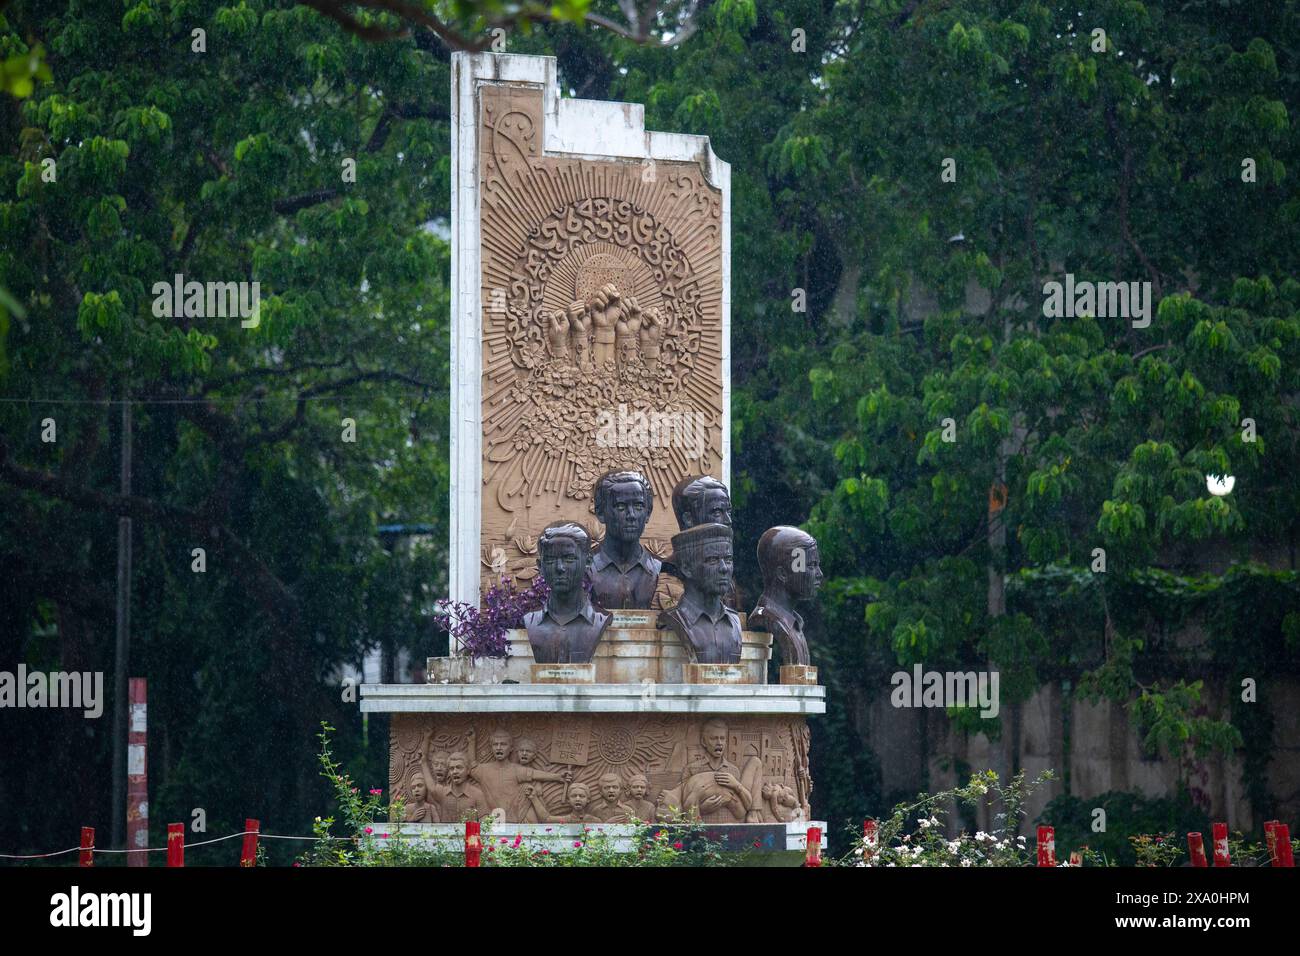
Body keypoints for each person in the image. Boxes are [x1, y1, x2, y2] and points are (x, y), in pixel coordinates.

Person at [523, 522, 610, 663]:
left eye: (569, 559)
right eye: (550, 560)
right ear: (540, 567)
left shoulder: (599, 620)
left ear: (588, 561)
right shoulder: (530, 621)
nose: (560, 568)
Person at [658, 523, 743, 664]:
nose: (724, 568)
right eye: (712, 560)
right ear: (686, 568)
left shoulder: (734, 621)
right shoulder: (676, 619)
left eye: (728, 560)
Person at [750, 526, 824, 667]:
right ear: (782, 574)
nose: (819, 574)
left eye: (817, 565)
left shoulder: (792, 624)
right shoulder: (766, 621)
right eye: (811, 566)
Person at [590, 470, 661, 609]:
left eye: (638, 506)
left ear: (648, 513)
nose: (631, 515)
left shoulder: (659, 570)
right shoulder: (584, 569)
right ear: (600, 512)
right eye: (621, 506)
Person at [468, 729, 572, 822]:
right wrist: (471, 742)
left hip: (516, 818)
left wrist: (558, 777)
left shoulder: (516, 769)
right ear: (491, 748)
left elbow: (535, 774)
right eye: (495, 744)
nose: (499, 748)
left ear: (511, 748)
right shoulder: (483, 770)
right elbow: (471, 767)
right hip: (493, 820)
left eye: (503, 744)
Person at [679, 719, 755, 823]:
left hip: (731, 828)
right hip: (702, 830)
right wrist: (701, 808)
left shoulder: (733, 771)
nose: (719, 743)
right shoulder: (691, 769)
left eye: (722, 738)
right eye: (713, 738)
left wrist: (736, 785)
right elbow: (681, 807)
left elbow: (745, 807)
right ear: (703, 742)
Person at [435, 752, 490, 823]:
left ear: (468, 770)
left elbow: (484, 821)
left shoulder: (477, 795)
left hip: (470, 833)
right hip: (446, 833)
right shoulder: (442, 793)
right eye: (452, 768)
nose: (455, 772)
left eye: (459, 768)